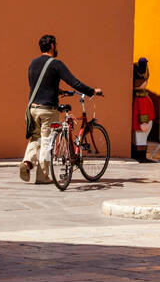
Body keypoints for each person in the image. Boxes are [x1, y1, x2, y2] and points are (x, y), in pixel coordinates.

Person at [21, 34, 101, 184]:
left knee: (36, 137)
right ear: (52, 46)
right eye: (56, 45)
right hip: (48, 110)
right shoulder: (55, 64)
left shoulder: (33, 63)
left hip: (32, 108)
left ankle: (27, 162)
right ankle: (43, 176)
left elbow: (37, 85)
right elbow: (74, 82)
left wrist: (58, 91)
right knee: (46, 141)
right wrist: (92, 91)